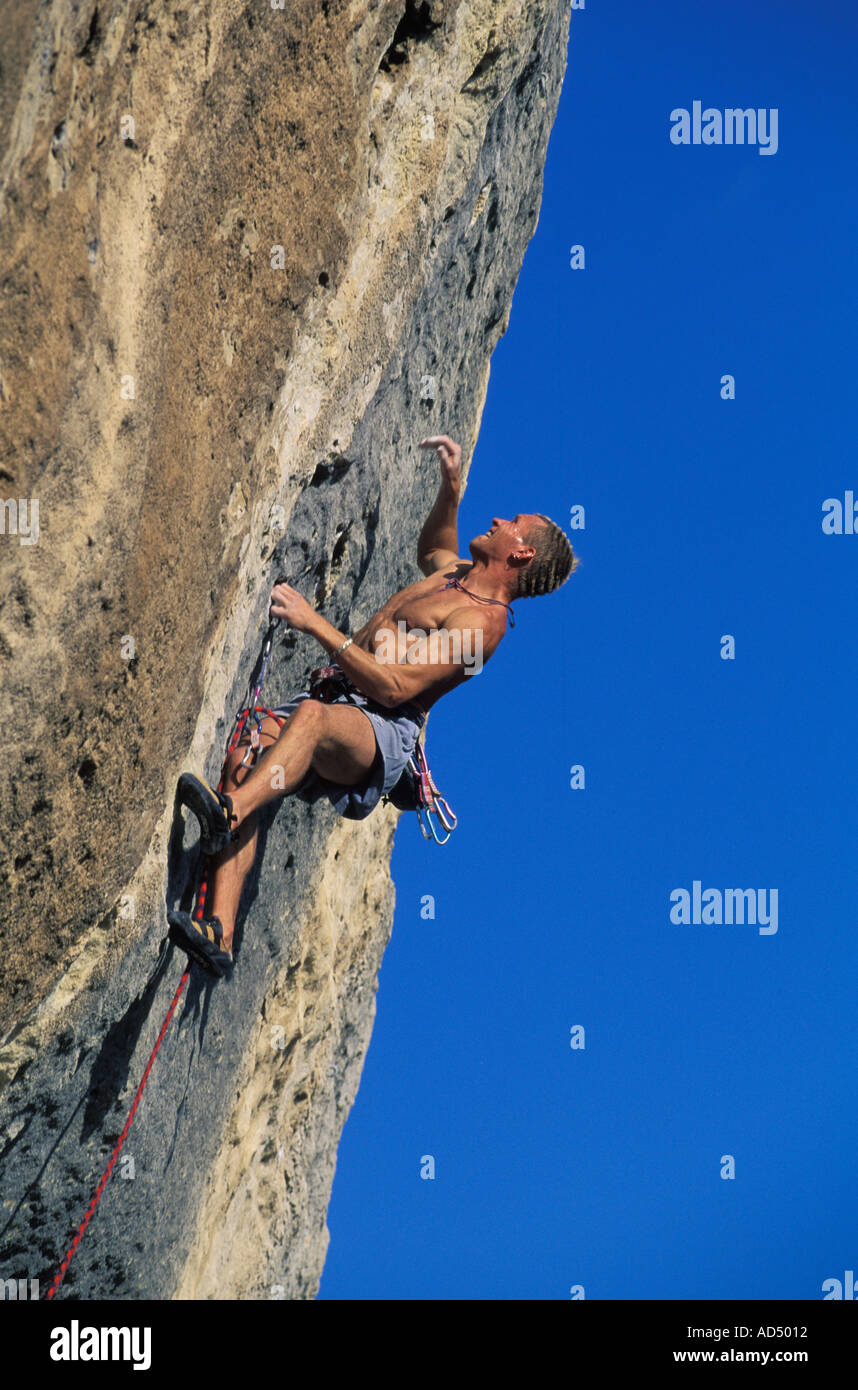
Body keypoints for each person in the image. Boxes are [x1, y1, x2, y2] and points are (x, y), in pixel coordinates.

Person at [171, 436, 578, 974]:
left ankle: (229, 812)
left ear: (521, 552)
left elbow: (394, 689)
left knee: (307, 724)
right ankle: (217, 930)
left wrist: (316, 623)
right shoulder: (455, 576)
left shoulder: (483, 626)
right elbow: (431, 549)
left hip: (382, 728)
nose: (500, 518)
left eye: (512, 522)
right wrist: (450, 491)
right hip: (344, 695)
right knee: (248, 755)